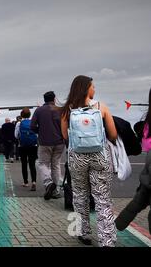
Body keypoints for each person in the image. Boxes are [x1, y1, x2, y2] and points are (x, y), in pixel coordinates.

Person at [61, 75, 118, 247]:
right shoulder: (102, 107)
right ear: (86, 88)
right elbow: (113, 134)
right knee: (102, 198)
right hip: (100, 156)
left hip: (77, 157)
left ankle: (82, 232)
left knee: (79, 195)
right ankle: (106, 240)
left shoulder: (67, 111)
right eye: (93, 86)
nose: (95, 89)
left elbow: (65, 136)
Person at [115, 87, 151, 233]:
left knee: (137, 203)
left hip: (147, 174)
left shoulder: (148, 120)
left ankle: (113, 227)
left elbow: (146, 143)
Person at [31, 91, 65, 200]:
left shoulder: (39, 110)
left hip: (44, 142)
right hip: (59, 142)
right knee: (56, 165)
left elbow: (32, 126)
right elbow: (65, 126)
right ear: (54, 99)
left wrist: (40, 131)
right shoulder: (60, 110)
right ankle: (56, 191)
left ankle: (48, 182)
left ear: (44, 99)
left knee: (42, 164)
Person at [15, 108, 38, 191]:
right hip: (33, 145)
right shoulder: (33, 122)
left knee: (24, 164)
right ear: (30, 115)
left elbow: (16, 135)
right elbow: (37, 134)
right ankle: (34, 181)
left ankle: (25, 182)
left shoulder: (19, 123)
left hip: (22, 146)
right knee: (32, 164)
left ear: (21, 115)